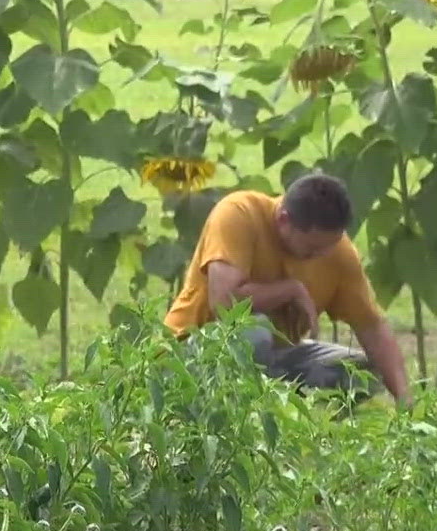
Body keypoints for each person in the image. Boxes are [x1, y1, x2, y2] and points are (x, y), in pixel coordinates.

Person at [164, 173, 412, 407]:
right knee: (253, 330)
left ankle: (294, 424)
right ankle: (221, 418)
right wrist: (290, 290)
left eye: (330, 246)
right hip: (193, 353)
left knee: (364, 372)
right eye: (312, 249)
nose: (323, 255)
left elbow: (373, 329)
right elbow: (224, 303)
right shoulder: (238, 213)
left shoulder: (337, 252)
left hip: (277, 360)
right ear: (284, 220)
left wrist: (406, 401)